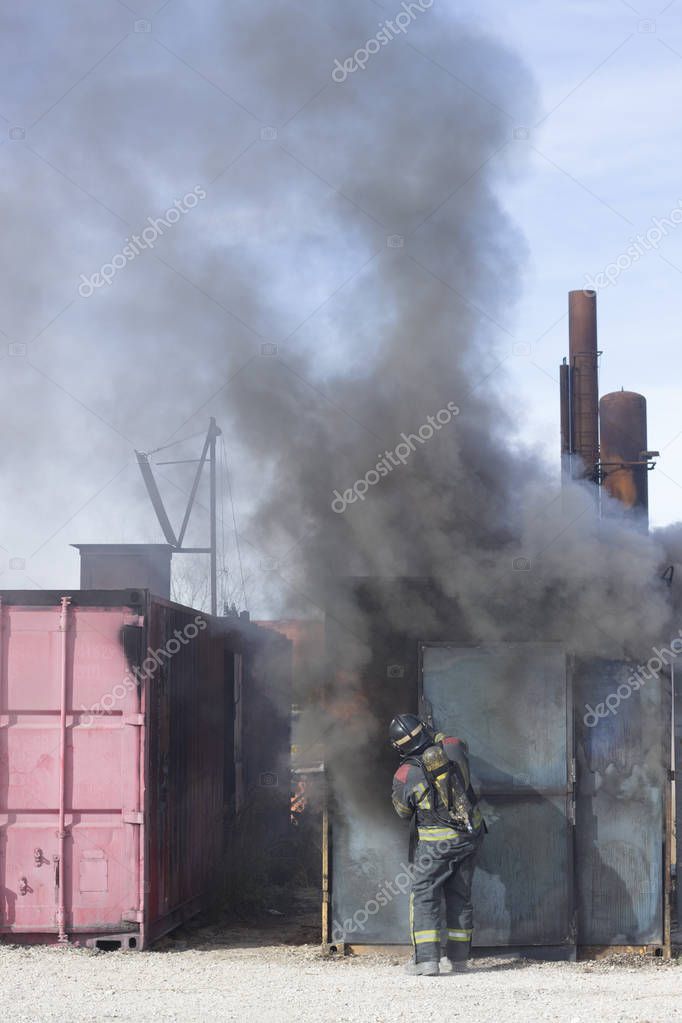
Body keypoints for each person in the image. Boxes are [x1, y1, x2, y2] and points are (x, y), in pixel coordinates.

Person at [389, 713, 484, 977]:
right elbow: (456, 742)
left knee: (424, 895)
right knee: (460, 896)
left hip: (435, 846)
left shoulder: (405, 773)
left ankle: (426, 961)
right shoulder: (453, 746)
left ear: (399, 746)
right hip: (469, 836)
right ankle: (459, 960)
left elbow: (402, 812)